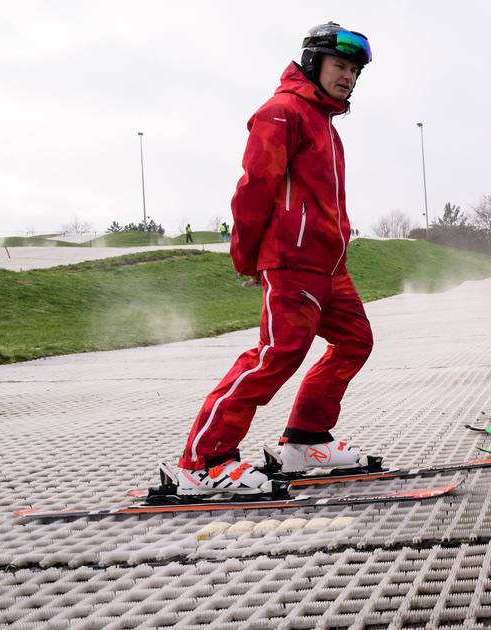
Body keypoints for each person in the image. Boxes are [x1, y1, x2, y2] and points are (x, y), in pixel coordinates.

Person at [176, 22, 375, 494]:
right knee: (276, 354)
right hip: (292, 260)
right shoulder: (282, 113)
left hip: (329, 266)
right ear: (313, 63)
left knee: (355, 342)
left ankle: (305, 440)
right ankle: (205, 461)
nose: (347, 77)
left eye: (354, 71)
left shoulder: (324, 124)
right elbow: (254, 189)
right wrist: (247, 258)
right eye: (339, 66)